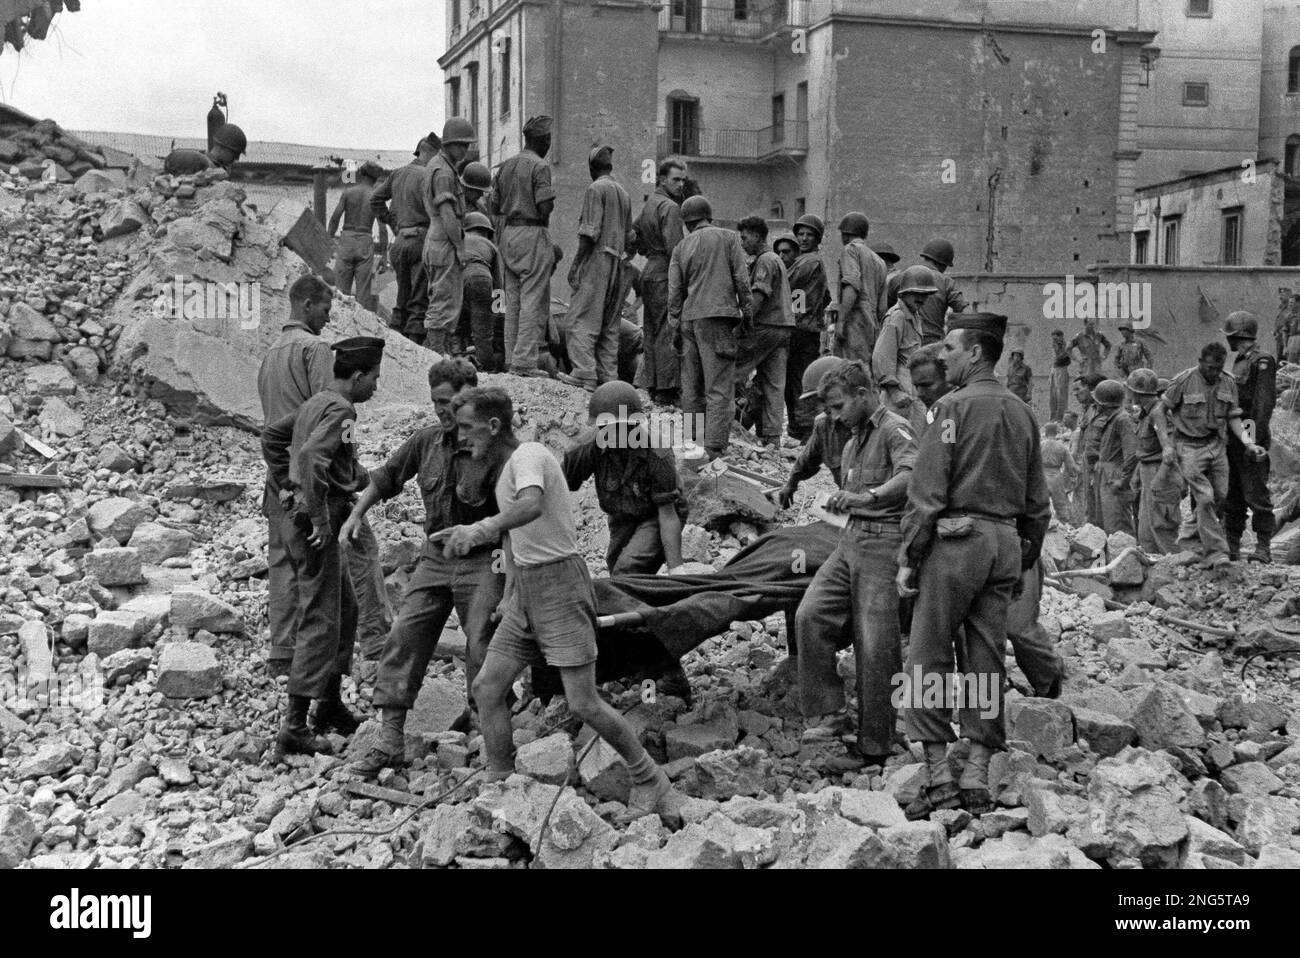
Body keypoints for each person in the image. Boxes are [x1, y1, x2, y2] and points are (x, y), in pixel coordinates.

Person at [439, 388, 677, 818]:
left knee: (583, 702)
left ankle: (649, 777)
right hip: (528, 594)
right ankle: (501, 776)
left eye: (468, 429)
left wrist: (479, 529)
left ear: (494, 426)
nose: (463, 439)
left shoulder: (529, 455)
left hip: (560, 586)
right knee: (487, 687)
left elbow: (529, 508)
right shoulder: (505, 469)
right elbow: (515, 537)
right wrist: (511, 595)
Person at [896, 312, 1049, 817]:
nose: (943, 357)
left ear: (976, 354)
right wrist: (1023, 547)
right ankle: (980, 766)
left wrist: (909, 557)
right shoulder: (1024, 411)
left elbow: (926, 493)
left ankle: (939, 769)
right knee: (987, 652)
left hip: (957, 541)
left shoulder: (949, 408)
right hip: (1005, 543)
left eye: (951, 349)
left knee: (929, 651)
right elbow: (1038, 500)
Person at [343, 360, 507, 777]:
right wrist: (356, 514)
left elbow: (518, 514)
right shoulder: (427, 442)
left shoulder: (495, 447)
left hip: (483, 560)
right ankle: (389, 741)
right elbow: (386, 478)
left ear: (469, 393)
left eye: (449, 401)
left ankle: (489, 738)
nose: (441, 411)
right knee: (405, 635)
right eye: (435, 402)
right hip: (435, 558)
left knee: (482, 640)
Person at [257, 277, 390, 678]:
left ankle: (285, 652)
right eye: (325, 309)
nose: (328, 317)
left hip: (282, 480)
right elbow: (328, 411)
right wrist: (350, 475)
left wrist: (282, 480)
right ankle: (372, 645)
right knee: (357, 557)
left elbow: (273, 430)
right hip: (321, 484)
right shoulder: (314, 350)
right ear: (308, 304)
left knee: (284, 562)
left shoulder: (271, 354)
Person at [262, 337, 386, 757]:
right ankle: (294, 725)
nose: (376, 387)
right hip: (318, 522)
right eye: (374, 378)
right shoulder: (342, 409)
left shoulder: (317, 402)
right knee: (321, 615)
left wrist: (285, 486)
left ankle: (328, 703)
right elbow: (315, 456)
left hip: (306, 514)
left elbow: (273, 439)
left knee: (346, 606)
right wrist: (314, 511)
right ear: (357, 376)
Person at [916, 348, 1064, 700]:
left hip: (1002, 538)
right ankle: (974, 724)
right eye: (917, 386)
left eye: (928, 384)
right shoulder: (940, 418)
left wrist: (1028, 549)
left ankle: (1049, 689)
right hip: (970, 544)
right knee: (970, 636)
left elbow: (1033, 494)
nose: (922, 393)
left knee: (1018, 626)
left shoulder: (975, 411)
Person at [793, 361, 916, 763]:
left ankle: (875, 744)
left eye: (838, 405)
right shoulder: (850, 441)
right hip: (849, 542)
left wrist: (870, 498)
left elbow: (911, 476)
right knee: (810, 615)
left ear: (864, 394)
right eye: (829, 409)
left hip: (883, 545)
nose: (834, 416)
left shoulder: (894, 429)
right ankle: (830, 713)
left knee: (876, 644)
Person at [1157, 342, 1267, 568]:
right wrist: (1167, 445)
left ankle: (1189, 538)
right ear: (1200, 363)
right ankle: (1216, 552)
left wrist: (1249, 444)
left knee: (1220, 497)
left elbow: (1233, 417)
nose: (1213, 373)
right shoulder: (1184, 380)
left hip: (1216, 445)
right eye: (1208, 368)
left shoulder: (1227, 381)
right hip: (1188, 446)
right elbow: (1159, 411)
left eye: (1217, 369)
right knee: (1205, 497)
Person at [563, 381, 688, 575]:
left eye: (622, 428)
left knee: (628, 567)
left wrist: (677, 570)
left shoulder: (657, 452)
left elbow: (668, 515)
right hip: (622, 515)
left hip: (656, 515)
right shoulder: (587, 447)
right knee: (616, 567)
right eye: (606, 428)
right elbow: (557, 485)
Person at [668, 196, 752, 461]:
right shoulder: (728, 239)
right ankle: (714, 449)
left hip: (688, 320)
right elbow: (741, 279)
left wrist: (674, 326)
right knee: (718, 389)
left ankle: (692, 446)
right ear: (709, 216)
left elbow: (674, 292)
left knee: (691, 389)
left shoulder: (681, 247)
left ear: (687, 222)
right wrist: (747, 314)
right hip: (718, 318)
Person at [561, 146, 633, 392]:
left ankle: (583, 373)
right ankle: (608, 380)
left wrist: (576, 264)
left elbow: (589, 233)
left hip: (598, 259)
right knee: (609, 326)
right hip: (618, 262)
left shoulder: (595, 189)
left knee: (579, 320)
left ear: (592, 168)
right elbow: (630, 236)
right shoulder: (623, 193)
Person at [490, 116, 557, 378]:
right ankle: (525, 362)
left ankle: (511, 358)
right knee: (533, 299)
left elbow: (493, 206)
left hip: (508, 233)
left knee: (513, 300)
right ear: (543, 140)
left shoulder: (506, 166)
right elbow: (545, 206)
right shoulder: (540, 167)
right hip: (533, 230)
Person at [1221, 311, 1278, 562]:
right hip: (1236, 436)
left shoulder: (1261, 360)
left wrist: (1252, 441)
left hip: (1250, 435)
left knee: (1256, 493)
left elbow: (1262, 406)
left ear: (1237, 335)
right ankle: (1232, 546)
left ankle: (1264, 548)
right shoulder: (1241, 361)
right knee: (1233, 493)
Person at [371, 136, 438, 344]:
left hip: (400, 242)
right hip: (421, 240)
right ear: (431, 153)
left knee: (402, 295)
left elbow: (375, 199)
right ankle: (414, 346)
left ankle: (396, 341)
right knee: (419, 298)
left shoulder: (397, 174)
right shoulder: (429, 175)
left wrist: (393, 223)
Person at [734, 216, 794, 447]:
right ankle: (772, 437)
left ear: (758, 236)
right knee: (774, 384)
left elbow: (758, 296)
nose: (742, 242)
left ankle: (723, 421)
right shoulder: (776, 259)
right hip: (782, 329)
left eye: (745, 237)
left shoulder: (765, 261)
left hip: (766, 327)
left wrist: (742, 324)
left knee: (729, 369)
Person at [634, 159, 687, 406]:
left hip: (649, 269)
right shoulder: (670, 207)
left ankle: (653, 386)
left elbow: (634, 237)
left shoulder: (649, 205)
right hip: (665, 270)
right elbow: (676, 249)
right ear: (662, 179)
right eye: (676, 179)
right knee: (668, 329)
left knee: (651, 330)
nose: (681, 184)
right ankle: (667, 389)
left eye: (683, 179)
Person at [422, 117, 476, 354]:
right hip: (444, 239)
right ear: (450, 144)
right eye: (461, 145)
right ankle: (436, 355)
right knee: (443, 303)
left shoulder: (438, 164)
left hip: (438, 238)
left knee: (444, 300)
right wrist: (460, 248)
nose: (465, 150)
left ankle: (439, 353)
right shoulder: (444, 171)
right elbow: (446, 212)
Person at [872, 264, 937, 435]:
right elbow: (882, 356)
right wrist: (894, 391)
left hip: (911, 388)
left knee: (914, 437)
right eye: (917, 293)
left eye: (925, 294)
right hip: (898, 391)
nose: (921, 298)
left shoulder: (914, 316)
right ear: (905, 292)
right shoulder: (897, 317)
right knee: (897, 437)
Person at [785, 216, 832, 443]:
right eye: (801, 234)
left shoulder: (808, 262)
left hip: (802, 329)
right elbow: (826, 297)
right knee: (793, 380)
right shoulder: (808, 261)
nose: (803, 238)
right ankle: (799, 428)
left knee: (799, 381)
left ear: (817, 239)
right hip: (805, 328)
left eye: (809, 235)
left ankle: (804, 430)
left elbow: (784, 282)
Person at [1128, 368, 1180, 554]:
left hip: (1161, 471)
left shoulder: (1160, 413)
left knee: (1161, 526)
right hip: (1147, 470)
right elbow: (1144, 451)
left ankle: (1176, 568)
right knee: (1146, 530)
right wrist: (1137, 475)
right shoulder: (1146, 413)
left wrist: (1159, 477)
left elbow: (1171, 449)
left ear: (1136, 392)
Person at [328, 161, 387, 312]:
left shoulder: (349, 192)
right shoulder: (376, 197)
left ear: (361, 173)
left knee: (339, 292)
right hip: (365, 241)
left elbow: (335, 218)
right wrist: (385, 256)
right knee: (364, 295)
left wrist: (328, 242)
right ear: (375, 179)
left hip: (347, 239)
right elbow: (382, 229)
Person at [832, 211, 888, 362]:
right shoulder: (880, 261)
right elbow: (883, 307)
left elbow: (852, 285)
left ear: (845, 233)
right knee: (865, 371)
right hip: (873, 324)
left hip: (854, 320)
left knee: (848, 370)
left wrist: (841, 320)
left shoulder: (850, 250)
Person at [456, 211, 504, 370]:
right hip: (482, 280)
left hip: (457, 281)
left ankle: (456, 364)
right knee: (482, 335)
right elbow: (498, 284)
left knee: (456, 328)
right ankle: (486, 370)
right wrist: (498, 313)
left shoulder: (458, 240)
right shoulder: (491, 246)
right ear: (486, 231)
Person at [1092, 379, 1137, 536]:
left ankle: (1124, 558)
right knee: (1104, 525)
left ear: (1104, 404)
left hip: (1114, 475)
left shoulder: (1123, 420)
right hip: (1106, 474)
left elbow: (1132, 453)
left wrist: (1123, 480)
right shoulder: (1114, 418)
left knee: (1117, 527)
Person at [913, 239, 968, 345]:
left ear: (925, 257)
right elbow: (965, 311)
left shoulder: (904, 276)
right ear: (943, 264)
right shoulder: (946, 282)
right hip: (932, 342)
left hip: (906, 339)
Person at [1073, 373, 1106, 526]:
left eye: (1078, 389)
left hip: (1101, 463)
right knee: (1089, 500)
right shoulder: (1090, 409)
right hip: (1088, 460)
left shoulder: (1104, 411)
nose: (1075, 394)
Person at [163, 121, 247, 175]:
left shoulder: (216, 169)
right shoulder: (205, 166)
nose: (236, 159)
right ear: (223, 148)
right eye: (234, 154)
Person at [1041, 421, 1078, 524]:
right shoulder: (1062, 447)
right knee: (1061, 505)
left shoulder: (1040, 445)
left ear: (1046, 432)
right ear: (1056, 433)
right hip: (1056, 476)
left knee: (1040, 504)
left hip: (1042, 476)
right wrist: (1073, 476)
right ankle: (1065, 527)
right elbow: (1071, 465)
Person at [1048, 329, 1071, 423]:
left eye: (1056, 337)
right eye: (1053, 337)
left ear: (1061, 336)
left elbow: (1064, 357)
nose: (1054, 340)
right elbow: (1054, 360)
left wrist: (1060, 345)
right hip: (1054, 369)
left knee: (1061, 394)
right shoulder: (1054, 345)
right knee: (1053, 395)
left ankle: (1060, 418)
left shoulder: (1064, 346)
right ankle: (1053, 418)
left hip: (1061, 369)